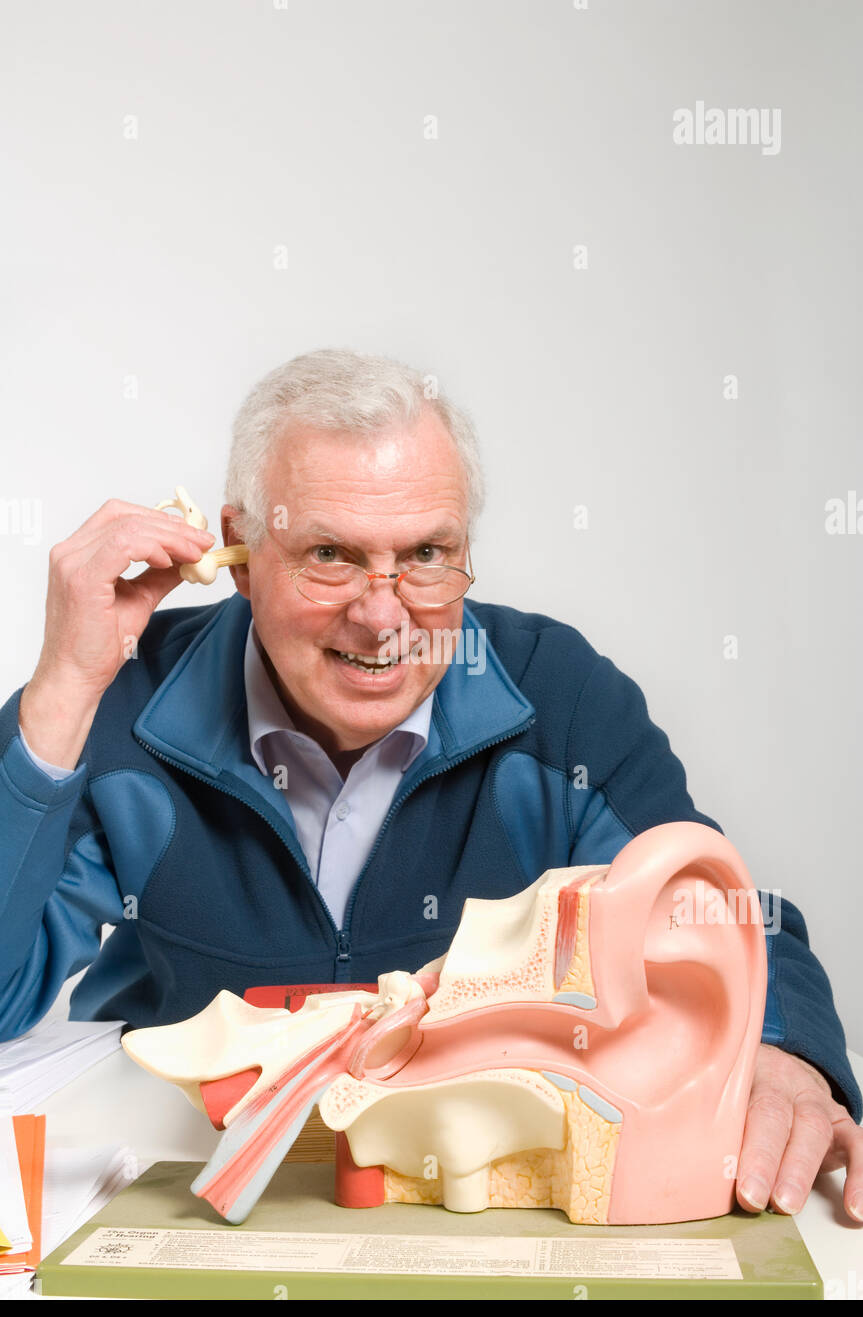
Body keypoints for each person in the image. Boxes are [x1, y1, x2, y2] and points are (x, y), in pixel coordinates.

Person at [1, 349, 860, 1223]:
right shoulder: (124, 698)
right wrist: (64, 689)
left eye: (425, 554)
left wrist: (780, 1051)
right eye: (329, 555)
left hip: (467, 1201)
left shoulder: (552, 695)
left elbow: (718, 917)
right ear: (241, 553)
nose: (382, 617)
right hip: (177, 1175)